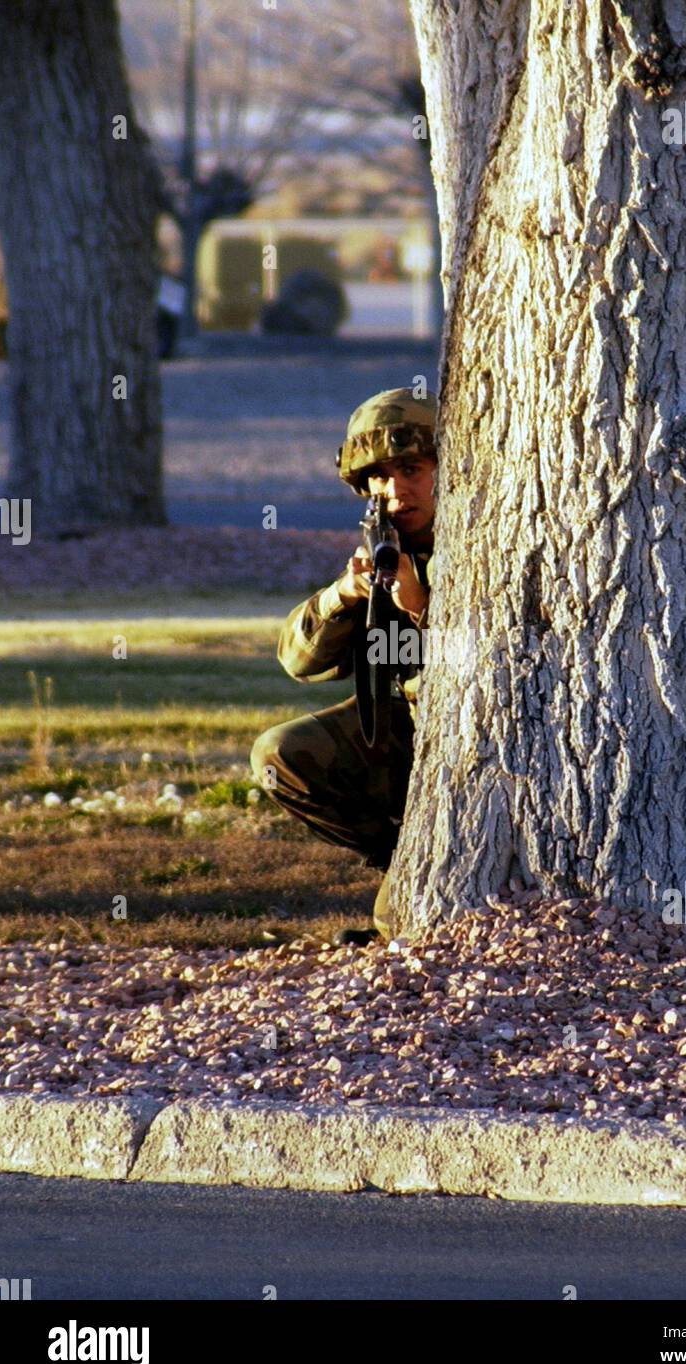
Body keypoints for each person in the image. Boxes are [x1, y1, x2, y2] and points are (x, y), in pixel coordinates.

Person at [250, 387, 437, 946]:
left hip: (476, 745)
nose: (395, 489)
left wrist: (422, 608)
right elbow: (298, 662)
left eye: (411, 468)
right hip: (404, 735)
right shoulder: (383, 550)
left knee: (397, 926)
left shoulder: (490, 545)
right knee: (278, 756)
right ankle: (404, 859)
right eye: (378, 477)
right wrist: (344, 595)